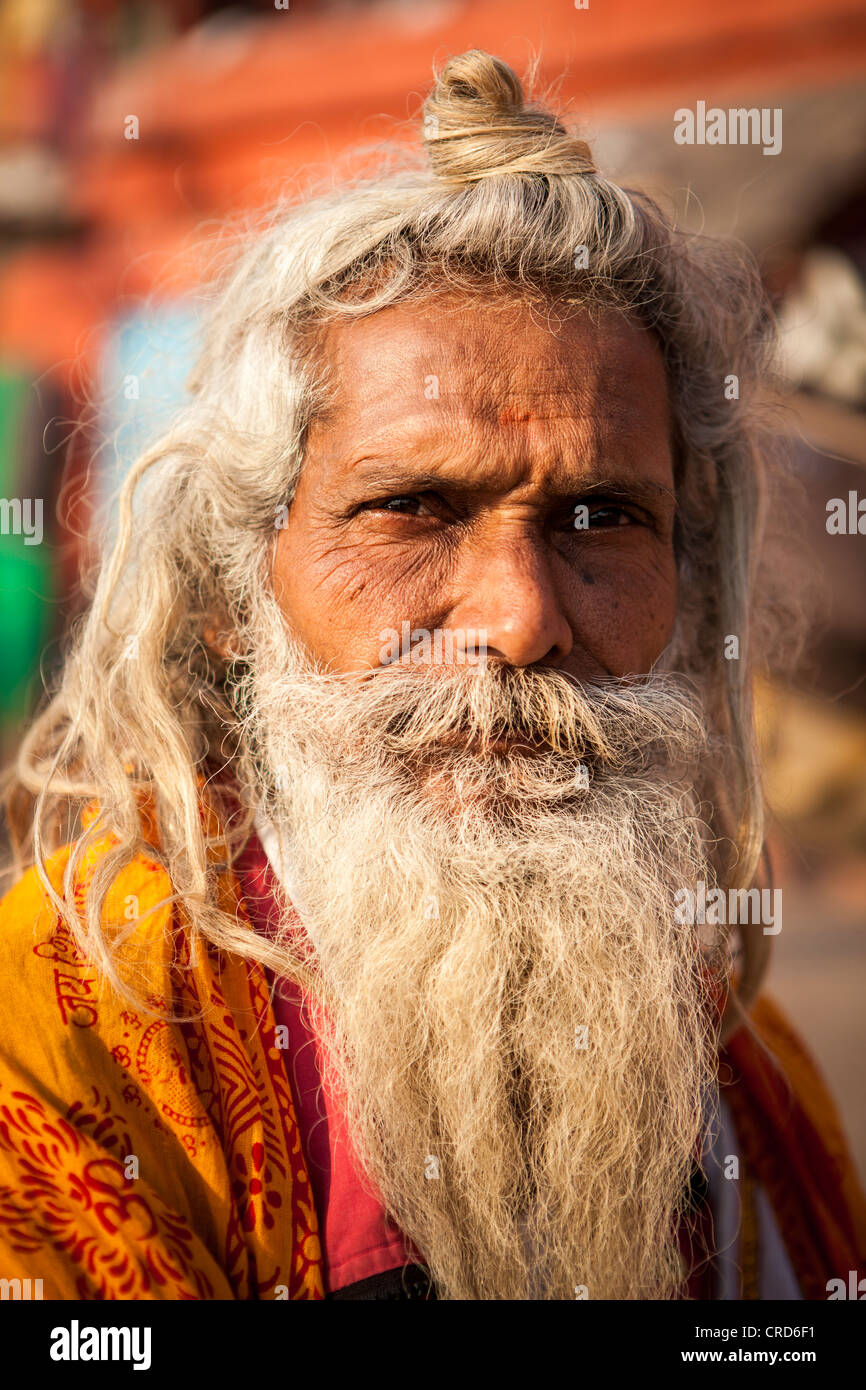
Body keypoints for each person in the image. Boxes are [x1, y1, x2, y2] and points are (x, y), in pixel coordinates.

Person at [0, 49, 863, 1301]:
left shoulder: (740, 1066)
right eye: (410, 508)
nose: (518, 620)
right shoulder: (59, 1051)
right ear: (235, 593)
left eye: (599, 517)